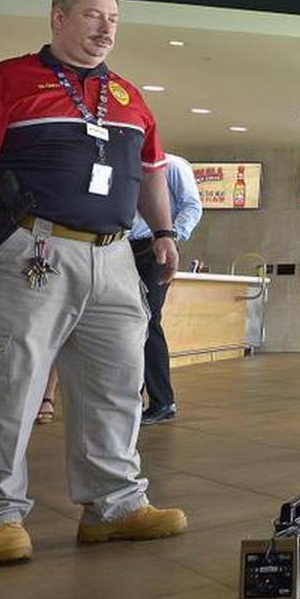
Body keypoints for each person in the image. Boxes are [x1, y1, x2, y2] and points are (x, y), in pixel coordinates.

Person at [0, 0, 188, 566]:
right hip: (32, 251)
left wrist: (166, 232)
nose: (105, 29)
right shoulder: (6, 81)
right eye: (93, 16)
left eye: (114, 20)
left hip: (117, 256)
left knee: (118, 385)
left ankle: (113, 507)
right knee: (9, 385)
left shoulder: (128, 96)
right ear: (59, 18)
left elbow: (151, 171)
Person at [130, 152, 203, 424]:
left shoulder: (171, 165)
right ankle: (131, 399)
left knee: (147, 320)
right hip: (121, 247)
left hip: (154, 248)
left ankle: (162, 401)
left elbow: (192, 206)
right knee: (126, 322)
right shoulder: (120, 161)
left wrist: (170, 238)